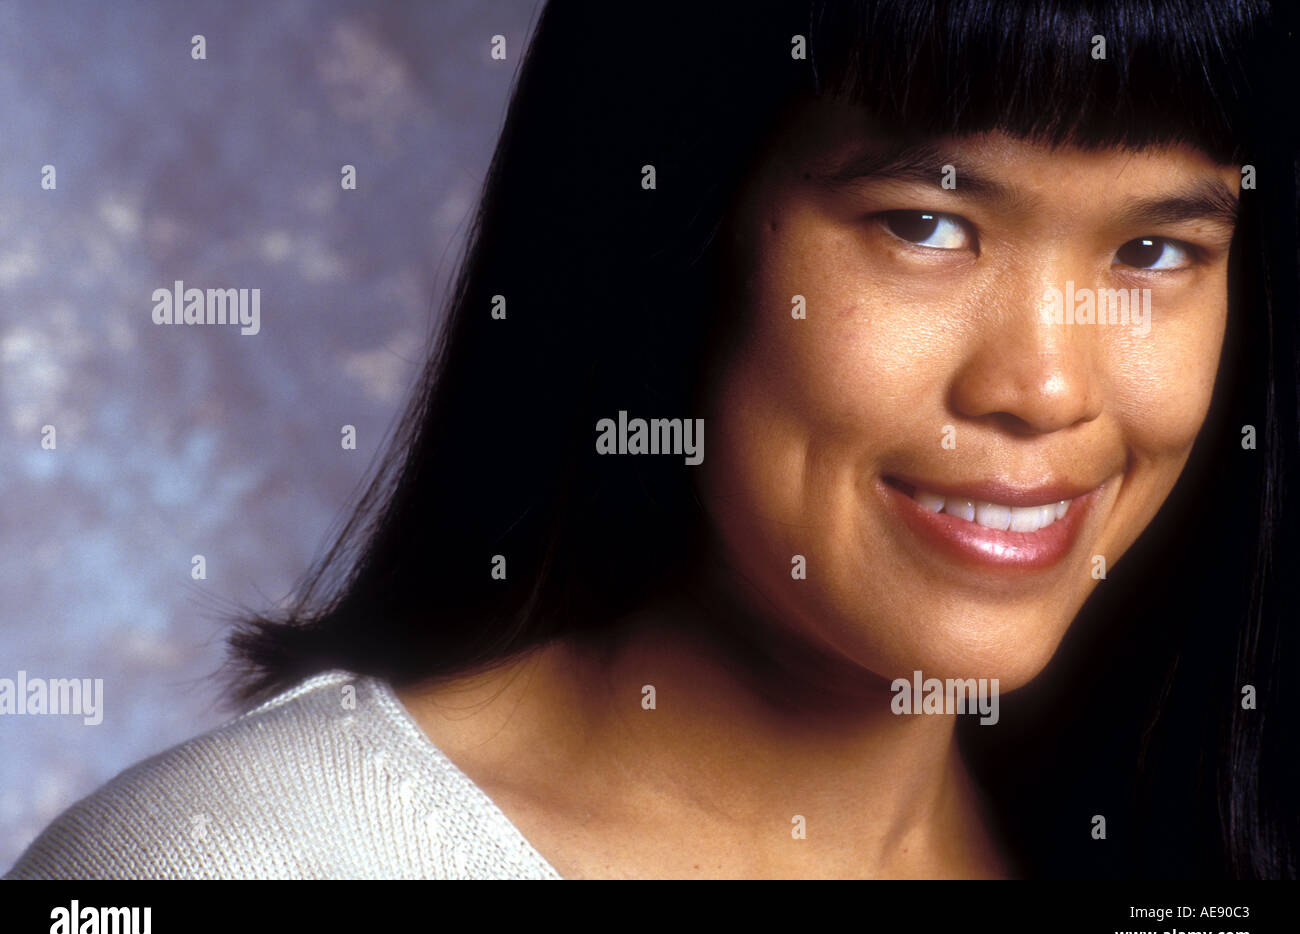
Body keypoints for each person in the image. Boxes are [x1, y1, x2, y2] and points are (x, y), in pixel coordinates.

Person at [9, 0, 1297, 879]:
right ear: (676, 243)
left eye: (1153, 250)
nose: (1045, 385)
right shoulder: (236, 865)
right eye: (925, 226)